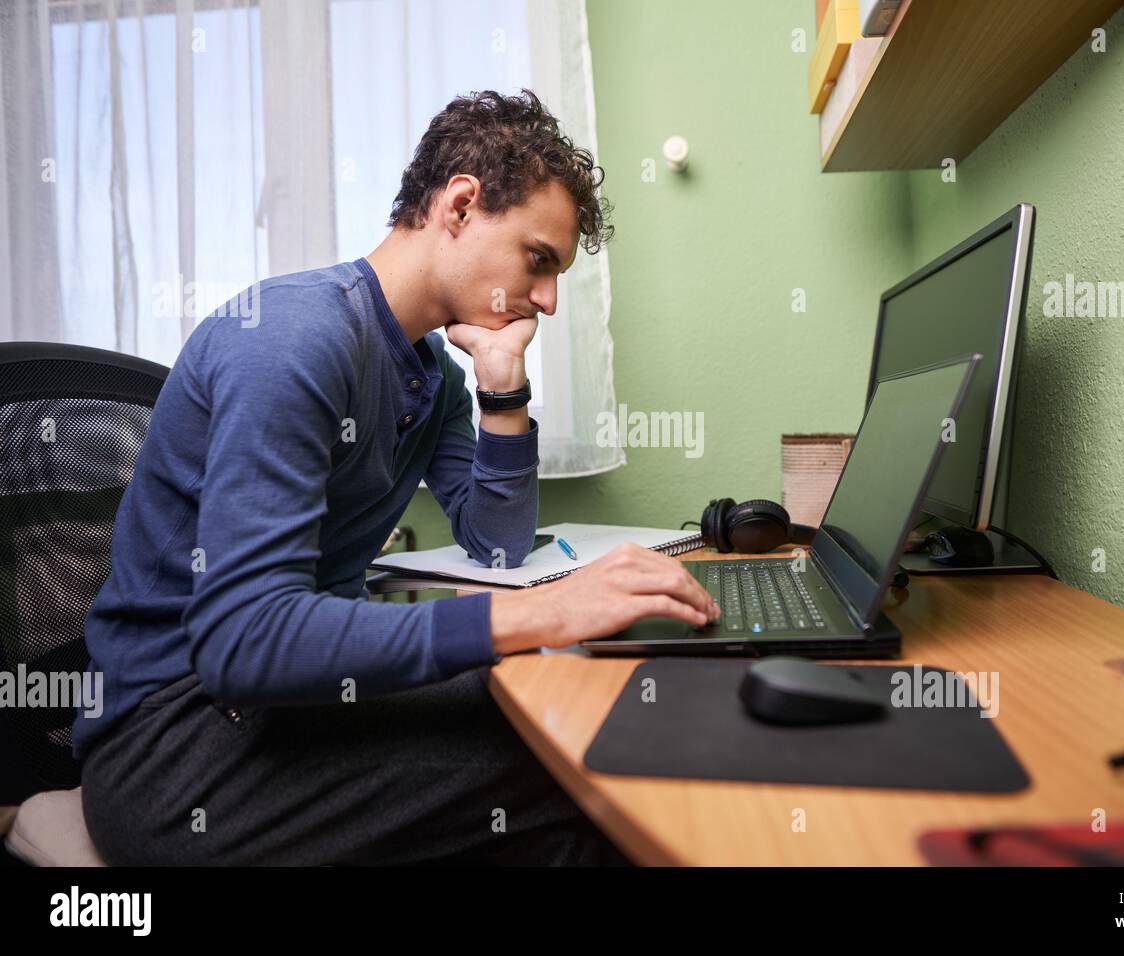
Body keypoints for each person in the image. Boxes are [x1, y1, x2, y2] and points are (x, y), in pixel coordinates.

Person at [75, 89, 721, 866]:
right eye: (539, 261)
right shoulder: (292, 340)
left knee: (589, 701)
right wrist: (543, 613)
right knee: (588, 765)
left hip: (288, 705)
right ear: (459, 205)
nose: (547, 301)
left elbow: (498, 547)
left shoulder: (430, 374)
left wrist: (502, 386)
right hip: (177, 750)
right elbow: (242, 641)